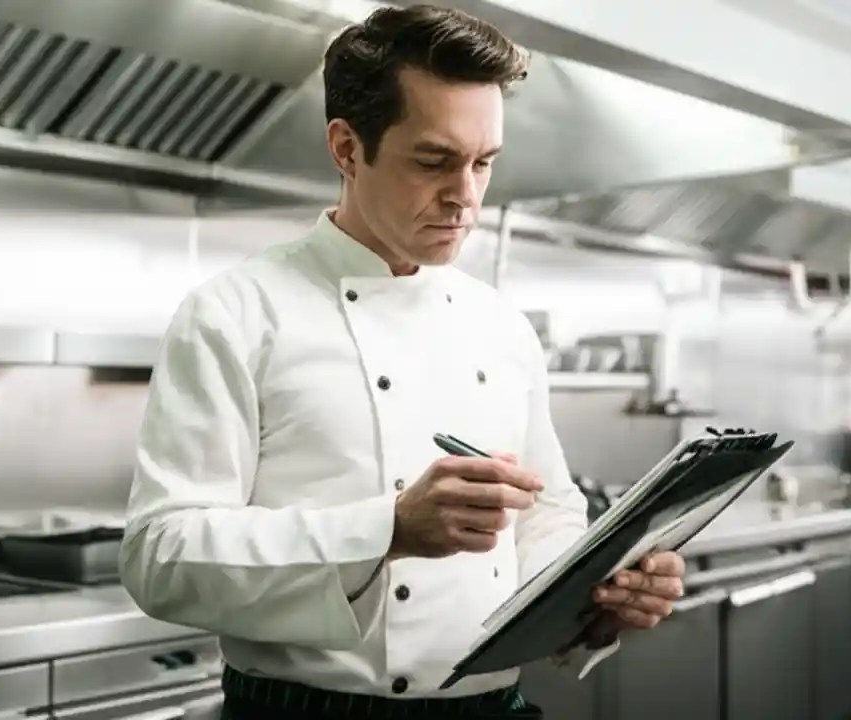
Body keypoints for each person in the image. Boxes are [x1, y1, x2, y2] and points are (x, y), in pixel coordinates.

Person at [119, 5, 685, 719]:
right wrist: (389, 527)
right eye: (433, 161)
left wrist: (599, 596)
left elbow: (543, 520)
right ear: (347, 148)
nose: (465, 196)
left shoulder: (501, 325)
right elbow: (160, 557)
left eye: (484, 163)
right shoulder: (236, 313)